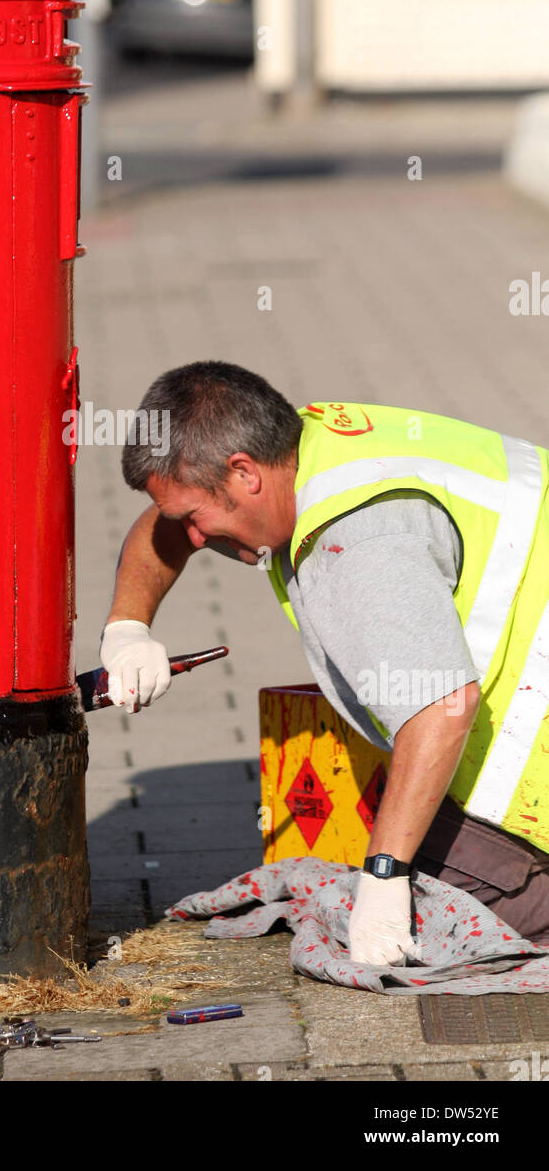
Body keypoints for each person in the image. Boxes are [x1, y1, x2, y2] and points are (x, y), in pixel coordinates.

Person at [100, 360, 549, 962]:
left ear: (242, 473)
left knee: (438, 912)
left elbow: (443, 706)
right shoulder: (310, 442)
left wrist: (386, 879)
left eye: (195, 520)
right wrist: (128, 627)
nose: (194, 540)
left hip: (525, 773)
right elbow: (167, 521)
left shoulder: (357, 543)